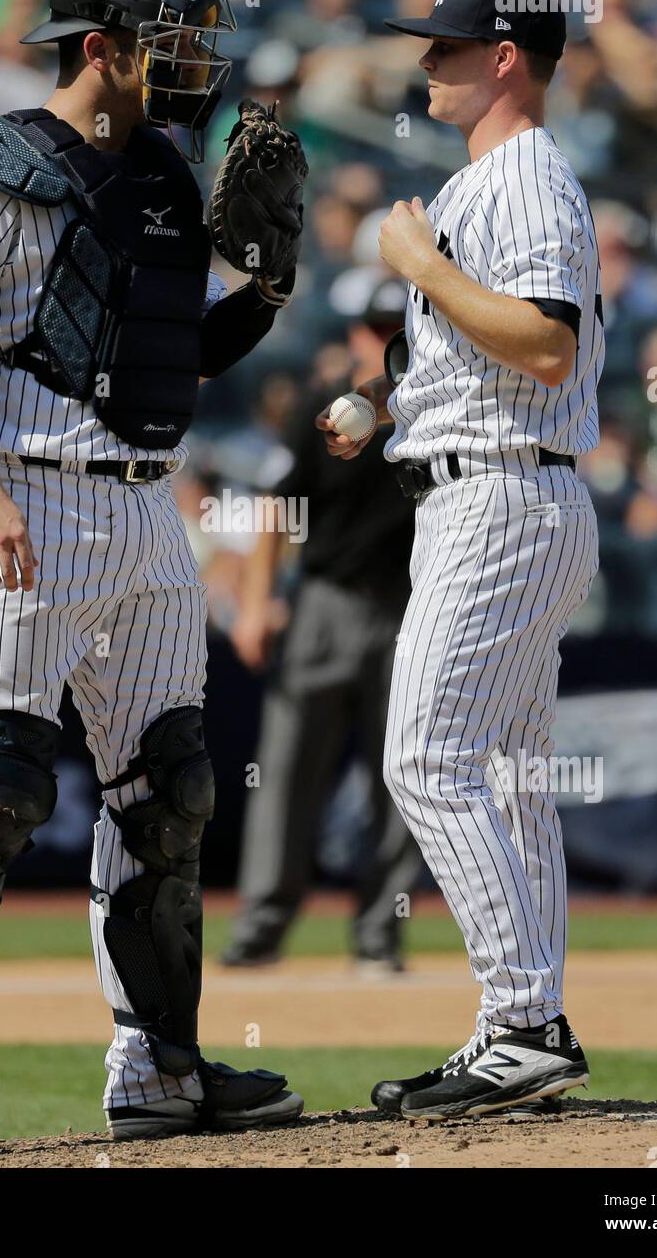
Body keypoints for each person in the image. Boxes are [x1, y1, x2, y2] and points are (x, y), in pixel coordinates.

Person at [0, 0, 305, 1147]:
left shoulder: (163, 166)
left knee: (170, 791)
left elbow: (176, 357)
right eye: (173, 41)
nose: (194, 63)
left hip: (148, 507)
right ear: (100, 46)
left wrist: (260, 299)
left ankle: (157, 1071)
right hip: (24, 501)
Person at [317, 0, 604, 1120]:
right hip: (488, 488)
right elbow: (488, 356)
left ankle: (527, 1021)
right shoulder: (490, 180)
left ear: (503, 58)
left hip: (501, 498)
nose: (424, 62)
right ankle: (516, 1028)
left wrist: (420, 268)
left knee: (425, 760)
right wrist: (386, 402)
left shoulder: (525, 175)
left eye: (446, 46)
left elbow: (545, 346)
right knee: (508, 780)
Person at [222, 279, 423, 974]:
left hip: (410, 606)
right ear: (351, 336)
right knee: (286, 771)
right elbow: (275, 511)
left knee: (401, 777)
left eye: (395, 328)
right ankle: (262, 924)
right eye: (372, 328)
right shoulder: (319, 409)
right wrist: (254, 603)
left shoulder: (436, 411)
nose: (381, 341)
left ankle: (378, 931)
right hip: (324, 602)